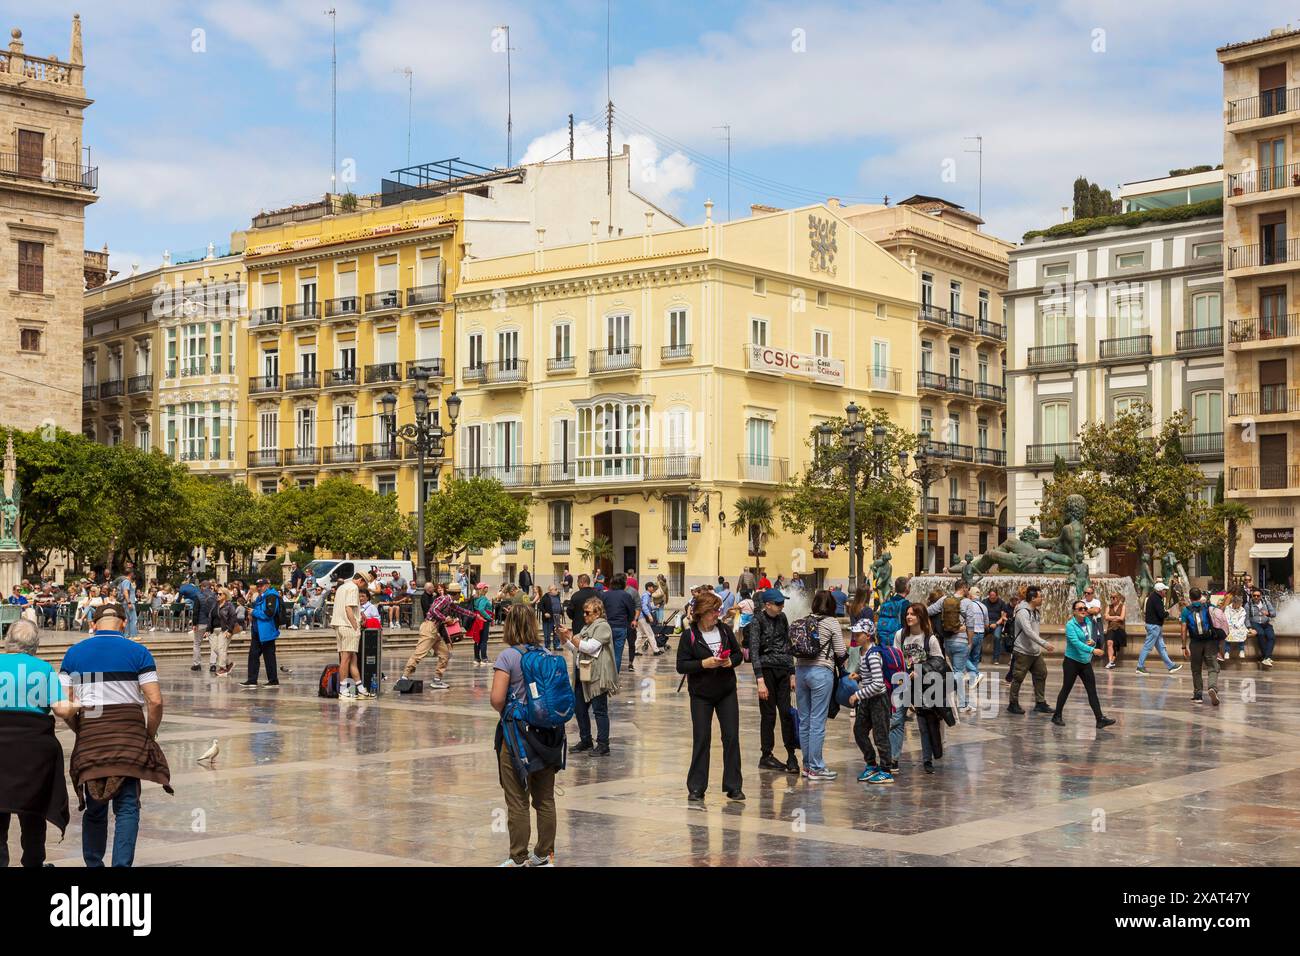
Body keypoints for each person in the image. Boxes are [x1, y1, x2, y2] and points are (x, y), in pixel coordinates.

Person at [58, 604, 172, 867]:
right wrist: (148, 735)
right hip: (128, 735)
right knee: (128, 807)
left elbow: (64, 707)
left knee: (96, 809)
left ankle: (94, 864)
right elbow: (155, 701)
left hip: (92, 735)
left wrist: (81, 730)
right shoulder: (139, 652)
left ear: (94, 624)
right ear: (123, 623)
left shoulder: (74, 654)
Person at [491, 605, 562, 867]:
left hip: (516, 736)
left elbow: (497, 699)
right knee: (545, 799)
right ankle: (544, 855)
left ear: (509, 625)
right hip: (546, 736)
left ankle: (518, 856)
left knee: (517, 799)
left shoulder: (508, 657)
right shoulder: (546, 653)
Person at [0, 619, 70, 867]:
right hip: (33, 753)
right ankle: (33, 862)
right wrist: (79, 705)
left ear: (7, 640)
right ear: (35, 645)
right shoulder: (43, 669)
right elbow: (61, 710)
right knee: (33, 813)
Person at [676, 589, 745, 801]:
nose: (718, 614)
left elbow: (738, 654)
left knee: (731, 737)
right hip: (701, 695)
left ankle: (734, 786)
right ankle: (696, 787)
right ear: (702, 613)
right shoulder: (690, 635)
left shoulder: (724, 631)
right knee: (702, 738)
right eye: (714, 611)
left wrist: (730, 661)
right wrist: (702, 664)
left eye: (718, 610)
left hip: (726, 691)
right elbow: (681, 666)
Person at [795, 589, 846, 781]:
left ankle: (807, 766)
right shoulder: (831, 622)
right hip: (821, 672)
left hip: (801, 671)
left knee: (804, 720)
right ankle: (816, 767)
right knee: (817, 721)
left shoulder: (805, 619)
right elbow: (840, 651)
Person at [747, 588, 798, 774]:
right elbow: (754, 651)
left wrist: (792, 673)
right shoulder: (757, 621)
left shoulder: (783, 618)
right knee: (768, 715)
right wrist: (759, 679)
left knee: (786, 713)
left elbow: (788, 644)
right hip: (766, 671)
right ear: (767, 605)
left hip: (783, 670)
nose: (781, 606)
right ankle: (766, 755)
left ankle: (791, 754)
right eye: (778, 604)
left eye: (782, 603)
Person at [558, 597, 617, 755]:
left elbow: (590, 647)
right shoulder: (586, 628)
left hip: (597, 675)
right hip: (583, 673)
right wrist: (563, 637)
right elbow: (574, 648)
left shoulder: (603, 627)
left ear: (597, 613)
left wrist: (571, 637)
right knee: (579, 708)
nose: (584, 615)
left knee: (599, 710)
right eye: (583, 612)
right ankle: (585, 740)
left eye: (587, 612)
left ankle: (603, 744)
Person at [1052, 600, 1116, 729]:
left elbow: (1087, 638)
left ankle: (1100, 719)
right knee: (1066, 689)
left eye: (1085, 608)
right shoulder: (1070, 625)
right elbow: (1075, 643)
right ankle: (1056, 715)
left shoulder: (1088, 621)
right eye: (1080, 609)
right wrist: (1093, 650)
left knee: (1092, 691)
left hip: (1085, 662)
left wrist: (1091, 642)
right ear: (1074, 611)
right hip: (1071, 662)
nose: (1083, 611)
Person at [896, 602, 944, 774]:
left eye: (913, 614)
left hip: (926, 686)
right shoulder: (900, 635)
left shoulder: (930, 638)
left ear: (921, 617)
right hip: (904, 683)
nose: (909, 616)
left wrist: (920, 670)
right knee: (896, 720)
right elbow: (897, 658)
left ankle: (927, 760)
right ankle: (893, 758)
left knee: (925, 725)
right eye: (908, 613)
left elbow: (939, 661)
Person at [850, 618, 894, 784]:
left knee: (880, 735)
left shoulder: (873, 654)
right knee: (859, 731)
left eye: (858, 633)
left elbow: (878, 684)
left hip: (878, 700)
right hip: (868, 700)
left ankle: (886, 770)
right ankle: (871, 764)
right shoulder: (863, 651)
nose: (854, 635)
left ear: (868, 635)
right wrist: (860, 676)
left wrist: (858, 695)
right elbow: (871, 676)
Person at [1007, 585, 1055, 715]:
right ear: (1033, 598)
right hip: (1023, 651)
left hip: (1035, 652)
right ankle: (1013, 703)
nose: (1042, 599)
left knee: (1041, 673)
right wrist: (1044, 643)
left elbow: (1034, 631)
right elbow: (1028, 632)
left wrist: (1039, 646)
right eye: (1040, 597)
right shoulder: (1023, 612)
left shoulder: (1035, 611)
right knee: (1018, 678)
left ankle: (1040, 703)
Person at [928, 582, 970, 710]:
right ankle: (962, 704)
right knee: (958, 672)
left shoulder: (944, 599)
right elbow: (973, 623)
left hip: (947, 641)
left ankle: (953, 699)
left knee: (955, 671)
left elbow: (928, 611)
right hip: (961, 641)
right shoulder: (968, 603)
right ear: (964, 588)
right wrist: (969, 636)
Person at [329, 571, 369, 699]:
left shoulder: (342, 586)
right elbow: (348, 608)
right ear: (361, 580)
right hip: (348, 626)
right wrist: (355, 625)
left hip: (338, 624)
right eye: (365, 585)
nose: (364, 588)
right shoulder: (353, 588)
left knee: (352, 659)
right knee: (346, 659)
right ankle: (343, 689)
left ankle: (360, 688)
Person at [1180, 587, 1221, 706]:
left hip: (1195, 642)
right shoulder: (1208, 606)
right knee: (1213, 666)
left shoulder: (1186, 610)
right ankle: (1212, 687)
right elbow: (1219, 617)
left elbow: (1183, 629)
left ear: (1190, 597)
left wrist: (1183, 647)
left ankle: (1198, 695)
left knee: (1196, 668)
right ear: (1200, 596)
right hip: (1210, 641)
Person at [241, 579, 283, 690]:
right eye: (258, 586)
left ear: (267, 585)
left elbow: (270, 613)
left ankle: (273, 681)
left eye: (261, 585)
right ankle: (252, 680)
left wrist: (254, 612)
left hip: (267, 632)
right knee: (253, 655)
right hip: (257, 631)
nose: (259, 588)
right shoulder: (260, 597)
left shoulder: (272, 596)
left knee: (269, 657)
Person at [1137, 582, 1183, 675]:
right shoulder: (1157, 600)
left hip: (1154, 626)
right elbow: (1161, 614)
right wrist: (1167, 612)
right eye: (1164, 590)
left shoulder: (1153, 598)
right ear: (1160, 591)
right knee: (1147, 647)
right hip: (1154, 626)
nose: (1165, 592)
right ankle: (1139, 667)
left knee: (1161, 647)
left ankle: (1171, 666)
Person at [600, 573, 639, 673]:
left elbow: (600, 610)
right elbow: (631, 613)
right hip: (621, 627)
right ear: (623, 583)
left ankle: (606, 676)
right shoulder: (626, 595)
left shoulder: (604, 595)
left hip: (606, 627)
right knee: (617, 655)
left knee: (607, 654)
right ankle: (614, 679)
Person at [961, 584, 989, 706]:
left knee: (964, 656)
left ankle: (975, 675)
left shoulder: (968, 605)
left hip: (970, 634)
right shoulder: (984, 607)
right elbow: (987, 623)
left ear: (970, 595)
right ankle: (973, 681)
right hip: (981, 634)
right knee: (975, 658)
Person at [1245, 588, 1276, 668]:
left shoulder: (1266, 602)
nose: (1256, 597)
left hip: (1265, 623)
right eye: (1254, 595)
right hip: (1255, 623)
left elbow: (1274, 613)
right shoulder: (1248, 605)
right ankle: (1267, 657)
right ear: (1252, 596)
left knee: (1271, 636)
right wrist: (1249, 627)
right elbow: (1246, 618)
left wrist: (1268, 614)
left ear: (1261, 596)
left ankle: (1266, 658)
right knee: (1261, 634)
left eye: (1258, 595)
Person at [191, 580, 218, 674]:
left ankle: (197, 664)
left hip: (200, 623)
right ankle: (213, 665)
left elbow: (195, 611)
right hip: (211, 624)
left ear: (202, 586)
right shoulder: (215, 595)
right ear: (210, 586)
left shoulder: (198, 596)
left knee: (197, 643)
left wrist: (194, 624)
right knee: (213, 644)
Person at [212, 587, 239, 677]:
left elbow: (233, 617)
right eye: (217, 594)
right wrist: (208, 629)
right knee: (216, 649)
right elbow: (210, 616)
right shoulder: (216, 604)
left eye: (220, 594)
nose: (218, 595)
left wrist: (230, 630)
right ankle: (229, 663)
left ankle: (223, 668)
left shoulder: (229, 605)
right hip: (215, 630)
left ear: (225, 595)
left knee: (221, 649)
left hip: (225, 630)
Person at [983, 587, 1011, 665]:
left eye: (994, 596)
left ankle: (996, 658)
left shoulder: (1001, 603)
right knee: (979, 636)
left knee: (997, 637)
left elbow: (1003, 617)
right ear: (988, 595)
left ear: (997, 596)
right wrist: (987, 624)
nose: (992, 598)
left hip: (997, 623)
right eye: (991, 596)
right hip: (986, 623)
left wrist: (996, 624)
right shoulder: (984, 602)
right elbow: (981, 614)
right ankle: (977, 657)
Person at [635, 582, 662, 657]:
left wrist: (655, 607)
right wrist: (649, 615)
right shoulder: (646, 595)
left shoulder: (647, 595)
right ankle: (656, 650)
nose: (654, 588)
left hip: (639, 617)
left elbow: (647, 606)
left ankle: (634, 650)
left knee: (639, 634)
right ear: (649, 588)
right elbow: (644, 606)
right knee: (650, 634)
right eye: (652, 587)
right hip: (643, 617)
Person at [472, 582, 495, 665]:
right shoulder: (483, 598)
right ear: (483, 589)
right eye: (486, 587)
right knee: (484, 640)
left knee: (477, 639)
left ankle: (476, 658)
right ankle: (484, 659)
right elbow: (481, 609)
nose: (487, 589)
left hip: (477, 620)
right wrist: (489, 618)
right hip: (483, 620)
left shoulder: (476, 598)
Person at [1103, 592, 1127, 669]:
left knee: (1116, 647)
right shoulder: (1109, 607)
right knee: (1109, 642)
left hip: (1120, 628)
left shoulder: (1122, 606)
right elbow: (1106, 617)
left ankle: (1111, 662)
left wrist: (1111, 617)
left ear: (1118, 598)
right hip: (1110, 628)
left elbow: (1122, 618)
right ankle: (1110, 661)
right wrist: (1116, 617)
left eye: (1113, 597)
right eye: (1111, 597)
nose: (1112, 599)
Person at [1226, 592, 1249, 660]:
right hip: (1230, 624)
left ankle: (1241, 650)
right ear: (1234, 603)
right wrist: (1231, 624)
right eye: (1238, 604)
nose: (1240, 605)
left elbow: (1242, 618)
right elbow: (1227, 617)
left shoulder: (1242, 609)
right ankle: (1227, 651)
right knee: (1228, 635)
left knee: (1241, 634)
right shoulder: (1228, 608)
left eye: (1240, 604)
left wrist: (1238, 625)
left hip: (1239, 625)